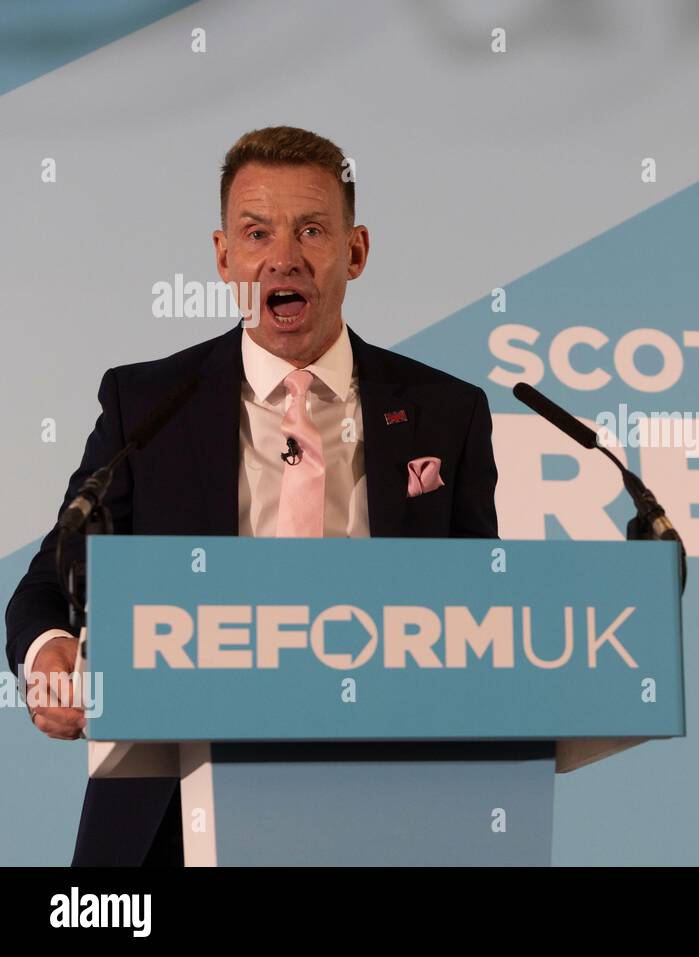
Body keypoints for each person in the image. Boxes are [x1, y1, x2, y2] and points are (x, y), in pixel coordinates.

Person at [4, 126, 500, 866]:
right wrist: (52, 656)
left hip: (387, 803)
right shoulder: (148, 405)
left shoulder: (445, 412)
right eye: (256, 232)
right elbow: (48, 583)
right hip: (173, 809)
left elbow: (486, 608)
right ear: (224, 255)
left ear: (356, 251)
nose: (283, 257)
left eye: (311, 230)